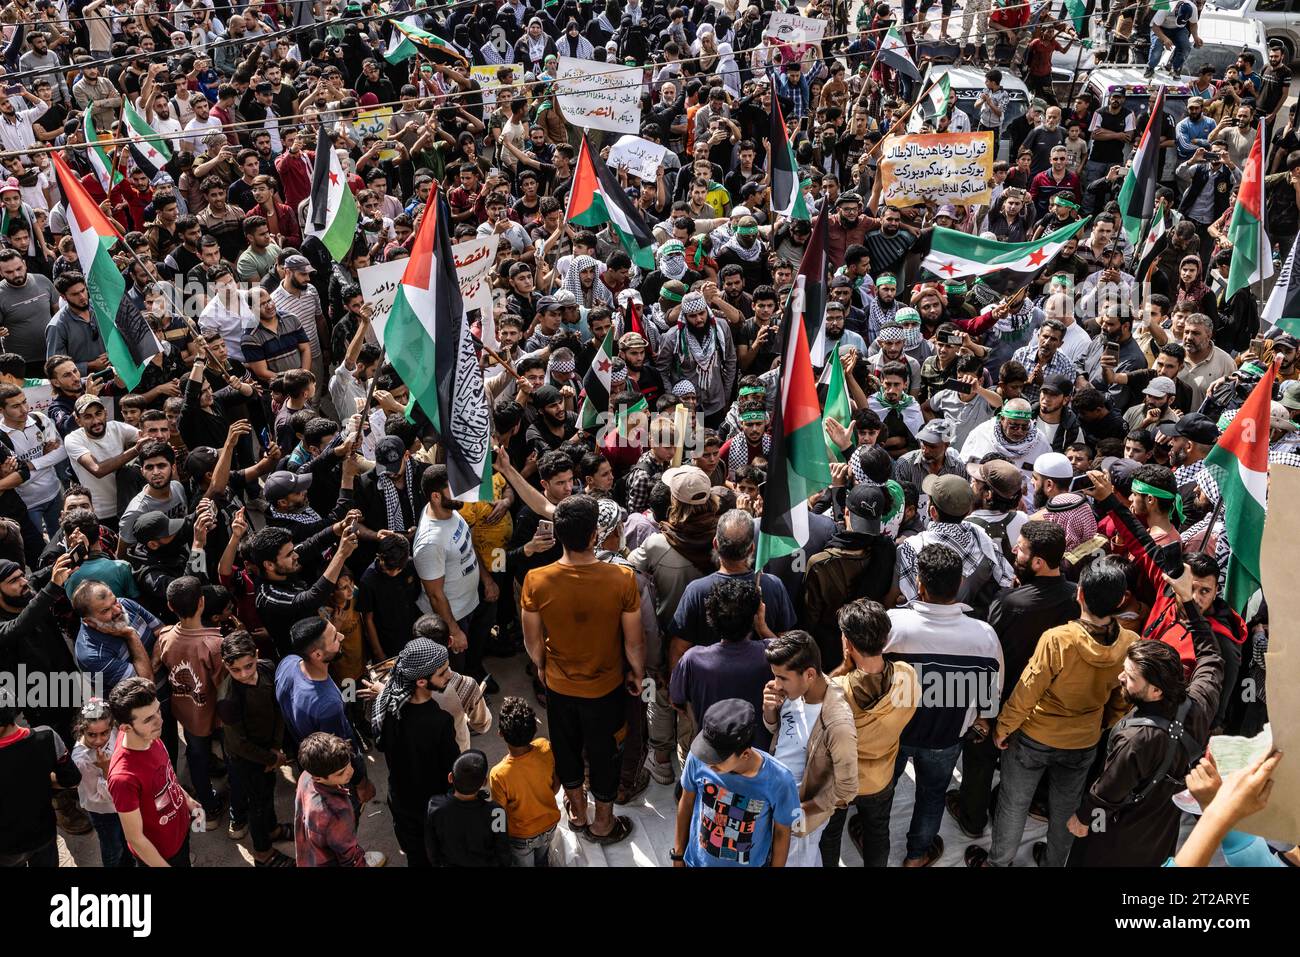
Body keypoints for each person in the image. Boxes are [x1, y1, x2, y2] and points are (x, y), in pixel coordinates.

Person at [966, 557, 1137, 868]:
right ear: (1121, 600)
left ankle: (998, 862)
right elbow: (1122, 698)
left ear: (1080, 593)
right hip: (1084, 740)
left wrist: (1003, 728)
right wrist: (1102, 723)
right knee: (1066, 809)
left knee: (1014, 804)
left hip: (1034, 736)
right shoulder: (1130, 642)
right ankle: (1054, 861)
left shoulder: (1059, 639)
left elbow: (1027, 690)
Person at [521, 494, 643, 845]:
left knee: (566, 746)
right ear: (594, 535)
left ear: (558, 535)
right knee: (605, 754)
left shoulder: (536, 580)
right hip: (606, 688)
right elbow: (634, 642)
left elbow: (532, 641)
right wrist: (635, 672)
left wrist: (542, 669)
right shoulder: (622, 579)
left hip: (559, 686)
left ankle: (576, 812)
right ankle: (603, 823)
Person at [885, 544, 1003, 867]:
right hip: (947, 737)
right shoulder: (984, 636)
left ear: (920, 584)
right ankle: (916, 855)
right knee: (932, 795)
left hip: (895, 734)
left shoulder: (894, 625)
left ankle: (875, 845)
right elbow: (989, 696)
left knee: (883, 793)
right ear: (960, 583)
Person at [761, 630, 857, 867]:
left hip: (798, 817)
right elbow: (782, 734)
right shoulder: (796, 691)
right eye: (775, 676)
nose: (776, 684)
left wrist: (800, 810)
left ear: (810, 674)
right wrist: (769, 712)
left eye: (782, 678)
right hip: (773, 802)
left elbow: (847, 789)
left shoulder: (838, 723)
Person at [673, 698, 801, 868]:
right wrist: (678, 856)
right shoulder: (698, 757)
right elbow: (686, 801)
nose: (708, 763)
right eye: (706, 753)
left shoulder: (780, 780)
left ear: (745, 754)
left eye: (717, 759)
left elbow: (781, 832)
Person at [369, 638, 462, 869]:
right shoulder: (440, 722)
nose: (449, 675)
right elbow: (452, 773)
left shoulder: (388, 707)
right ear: (421, 681)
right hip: (432, 808)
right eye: (442, 673)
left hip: (402, 803)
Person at [216, 631, 293, 867]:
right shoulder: (227, 699)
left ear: (256, 656)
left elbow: (278, 706)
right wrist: (270, 757)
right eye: (235, 670)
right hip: (245, 759)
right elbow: (238, 744)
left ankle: (272, 830)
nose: (244, 674)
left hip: (269, 750)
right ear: (225, 666)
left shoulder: (268, 668)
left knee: (266, 793)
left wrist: (275, 748)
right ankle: (263, 854)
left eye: (249, 666)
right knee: (256, 805)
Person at [106, 677, 200, 867]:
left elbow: (167, 777)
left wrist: (187, 800)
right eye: (149, 719)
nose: (160, 720)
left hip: (180, 833)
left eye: (157, 710)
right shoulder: (123, 778)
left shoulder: (149, 735)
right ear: (125, 728)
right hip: (161, 855)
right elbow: (135, 839)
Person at [293, 732, 385, 868]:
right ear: (318, 778)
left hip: (309, 856)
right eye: (341, 772)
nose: (351, 772)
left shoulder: (306, 776)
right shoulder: (336, 812)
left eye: (349, 764)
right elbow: (350, 859)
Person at [490, 696, 562, 867]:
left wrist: (497, 840)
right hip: (550, 826)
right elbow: (556, 784)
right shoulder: (545, 747)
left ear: (500, 733)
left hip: (521, 837)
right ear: (535, 726)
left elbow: (498, 814)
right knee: (542, 861)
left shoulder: (498, 774)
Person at [424, 750, 511, 868]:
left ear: (450, 777)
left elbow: (432, 847)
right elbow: (503, 851)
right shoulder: (496, 813)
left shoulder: (435, 806)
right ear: (484, 783)